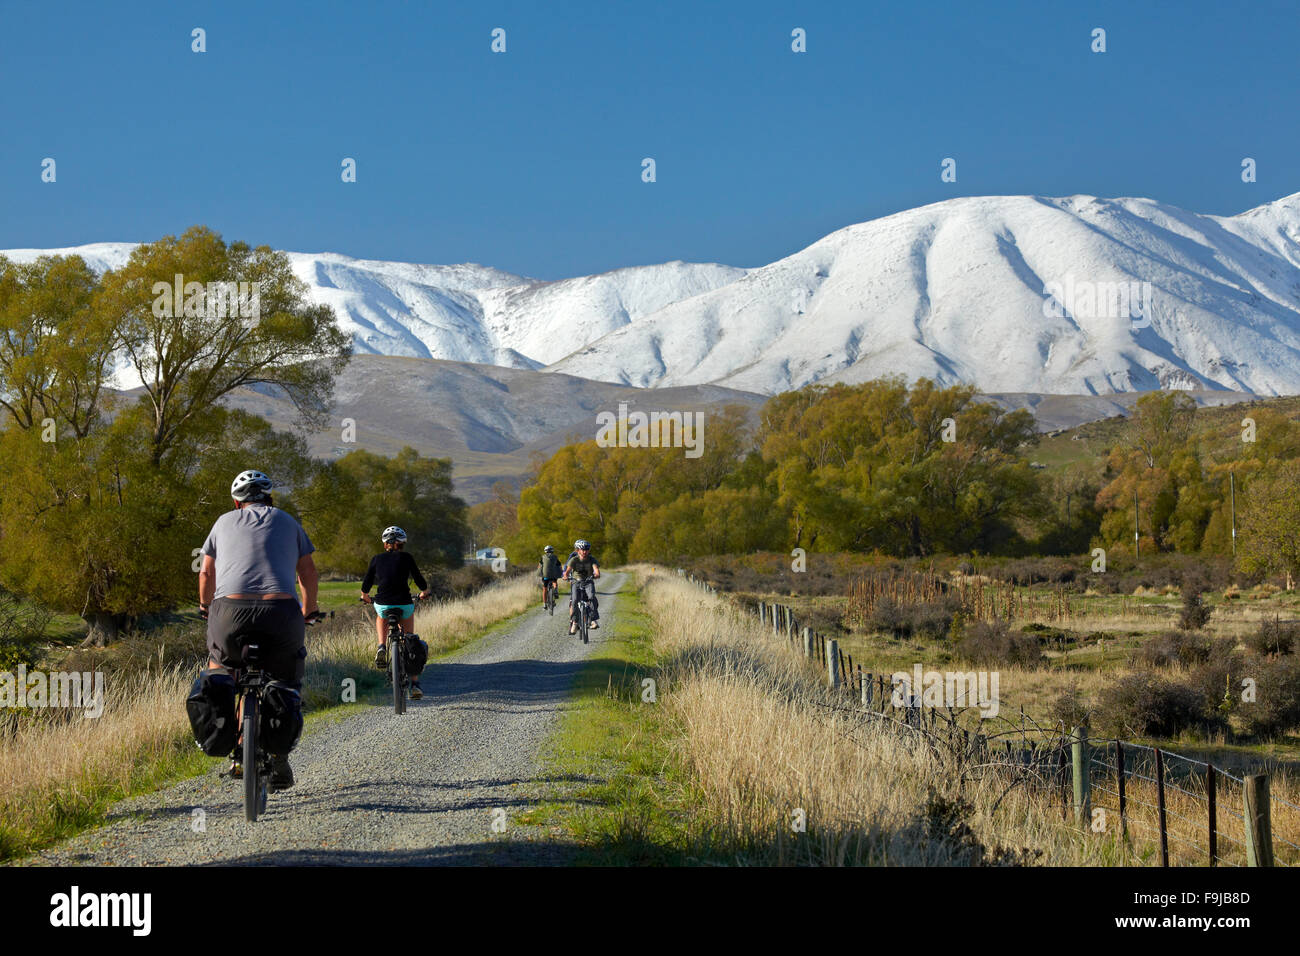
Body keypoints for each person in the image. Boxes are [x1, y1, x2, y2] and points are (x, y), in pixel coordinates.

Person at [198, 470, 320, 790]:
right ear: (269, 497)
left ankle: (236, 749)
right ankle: (279, 754)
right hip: (280, 614)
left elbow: (207, 571)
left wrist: (204, 606)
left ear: (236, 502)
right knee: (285, 678)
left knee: (221, 669)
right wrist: (308, 609)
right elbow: (307, 571)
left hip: (230, 614)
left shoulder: (223, 522)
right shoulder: (288, 521)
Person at [360, 526, 432, 698]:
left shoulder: (377, 559)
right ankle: (415, 685)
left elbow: (367, 581)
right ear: (402, 544)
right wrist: (424, 592)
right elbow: (418, 578)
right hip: (405, 604)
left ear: (385, 544)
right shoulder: (407, 558)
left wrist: (365, 596)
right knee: (410, 641)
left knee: (381, 614)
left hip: (383, 604)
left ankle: (381, 646)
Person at [562, 539, 600, 635]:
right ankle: (574, 623)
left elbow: (596, 569)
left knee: (591, 597)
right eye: (582, 549)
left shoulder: (592, 559)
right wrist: (565, 575)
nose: (584, 551)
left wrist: (596, 574)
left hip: (588, 582)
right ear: (577, 550)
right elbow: (567, 570)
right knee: (574, 600)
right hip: (576, 582)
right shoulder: (574, 559)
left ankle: (593, 620)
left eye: (586, 549)